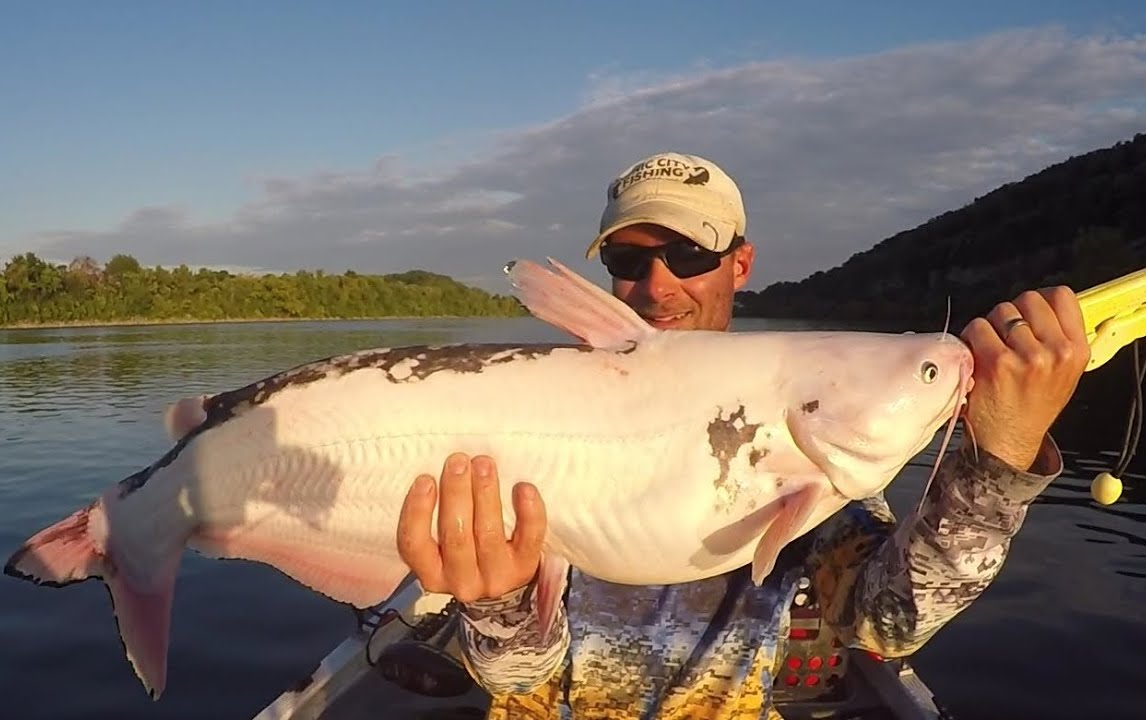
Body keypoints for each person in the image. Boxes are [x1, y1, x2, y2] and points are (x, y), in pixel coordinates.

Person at [396, 152, 1091, 719]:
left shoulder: (799, 438)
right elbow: (515, 676)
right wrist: (498, 600)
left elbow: (889, 620)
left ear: (741, 263)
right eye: (629, 261)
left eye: (688, 253)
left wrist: (1001, 456)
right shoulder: (522, 413)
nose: (657, 285)